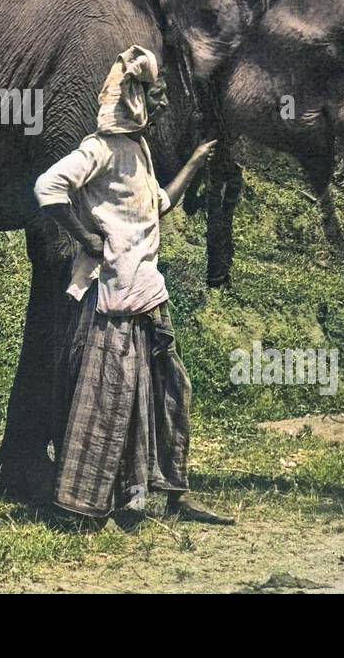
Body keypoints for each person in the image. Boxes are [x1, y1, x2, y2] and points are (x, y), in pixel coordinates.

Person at [33, 45, 233, 524]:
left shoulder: (137, 149)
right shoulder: (98, 149)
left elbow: (157, 204)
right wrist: (87, 237)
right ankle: (81, 505)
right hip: (112, 297)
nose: (161, 105)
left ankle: (172, 495)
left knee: (167, 391)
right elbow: (47, 188)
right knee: (107, 399)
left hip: (145, 291)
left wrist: (195, 163)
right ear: (133, 99)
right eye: (154, 95)